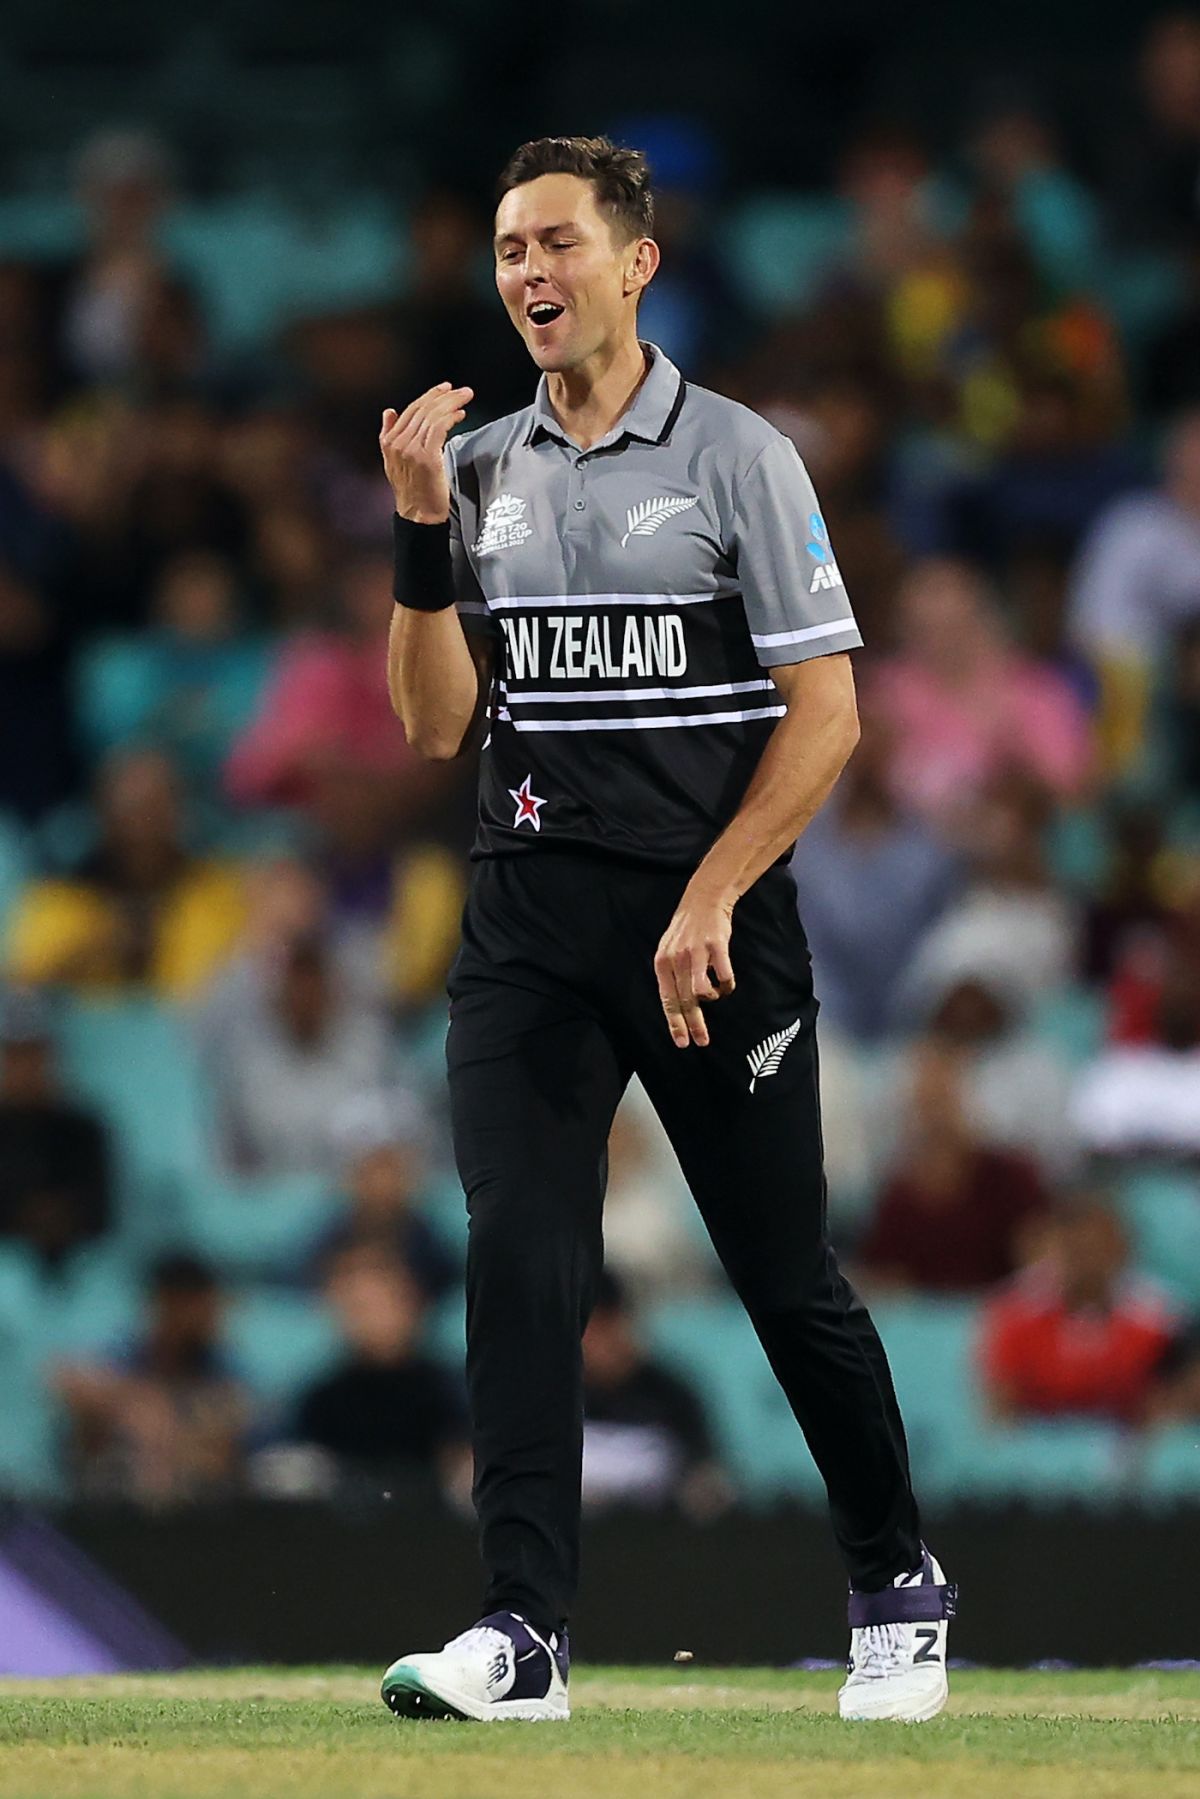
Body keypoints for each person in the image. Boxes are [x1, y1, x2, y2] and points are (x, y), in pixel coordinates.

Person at [376, 135, 953, 1728]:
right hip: (529, 916)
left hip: (710, 929)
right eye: (509, 249)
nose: (528, 272)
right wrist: (418, 531)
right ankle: (523, 1627)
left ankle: (896, 1578)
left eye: (557, 242)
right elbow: (433, 726)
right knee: (522, 1255)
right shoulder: (480, 468)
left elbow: (828, 715)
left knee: (781, 1273)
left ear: (637, 262)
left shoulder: (739, 456)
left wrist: (711, 894)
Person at [54, 1253, 249, 1502]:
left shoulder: (222, 1364)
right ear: (167, 1303)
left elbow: (241, 1414)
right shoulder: (126, 1351)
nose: (211, 1318)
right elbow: (68, 1379)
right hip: (118, 1489)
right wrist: (142, 1403)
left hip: (197, 1494)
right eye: (198, 1307)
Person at [978, 1200, 1181, 1424]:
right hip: (1036, 1438)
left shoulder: (1160, 1317)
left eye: (1093, 1248)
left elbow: (1162, 1405)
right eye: (1072, 1249)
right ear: (1048, 1250)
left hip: (1127, 1438)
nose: (1083, 1262)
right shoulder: (1013, 1312)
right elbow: (1000, 1409)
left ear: (1120, 1249)